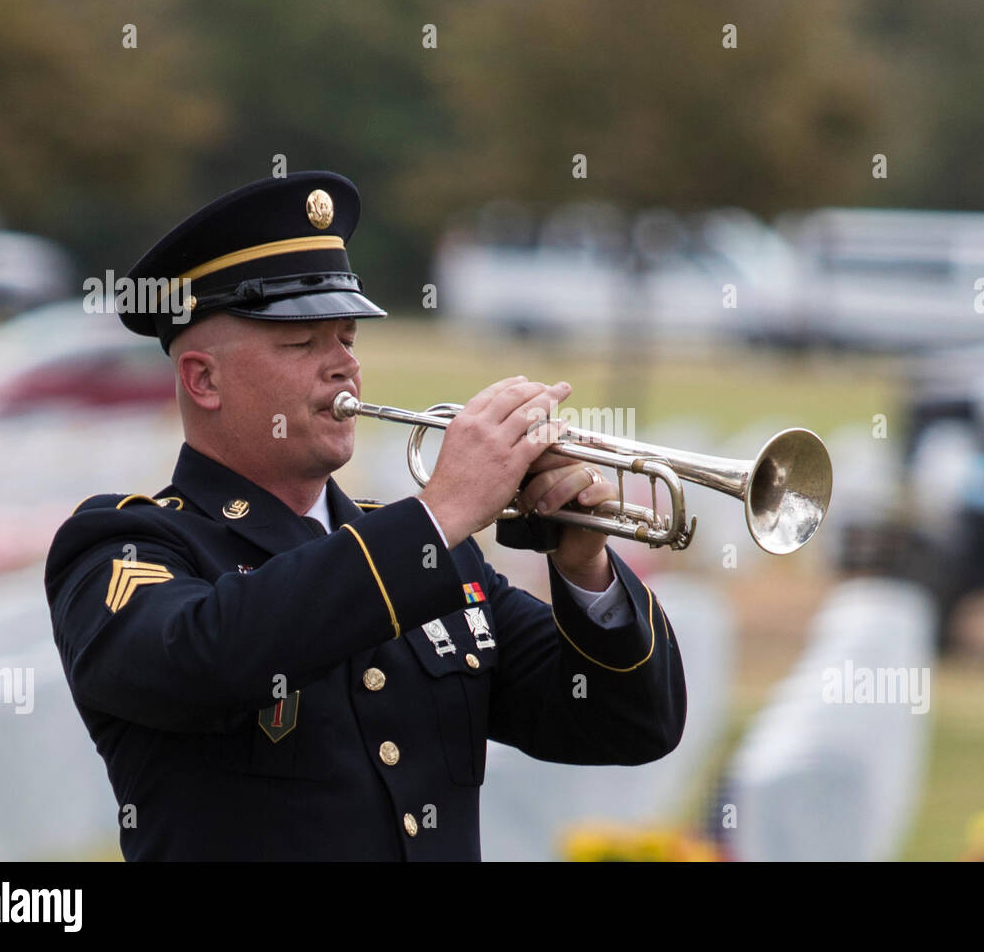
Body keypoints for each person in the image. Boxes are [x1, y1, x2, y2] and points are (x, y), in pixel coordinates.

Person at [44, 171, 687, 861]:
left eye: (348, 338)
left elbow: (630, 726)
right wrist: (439, 512)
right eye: (302, 343)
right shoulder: (127, 546)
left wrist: (584, 564)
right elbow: (206, 662)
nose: (343, 367)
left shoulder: (437, 557)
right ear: (204, 379)